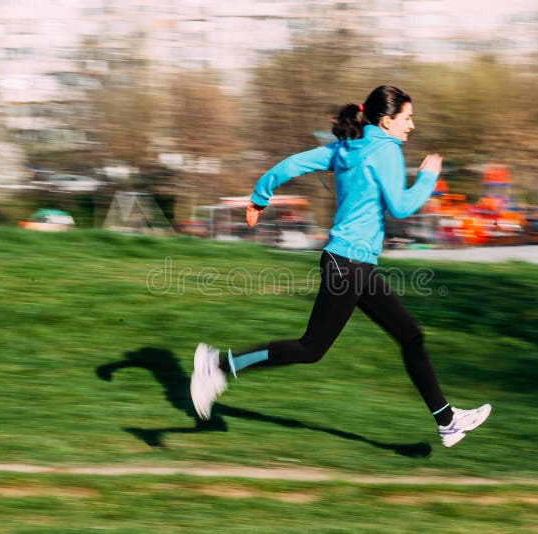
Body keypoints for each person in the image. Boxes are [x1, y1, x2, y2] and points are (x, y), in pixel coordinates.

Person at [191, 85, 491, 448]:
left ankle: (447, 421)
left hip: (353, 264)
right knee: (311, 348)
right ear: (386, 121)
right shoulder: (388, 151)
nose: (412, 126)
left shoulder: (346, 147)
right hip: (348, 266)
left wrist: (259, 197)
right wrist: (428, 178)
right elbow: (400, 207)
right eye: (407, 118)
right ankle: (217, 366)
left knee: (411, 336)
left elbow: (290, 165)